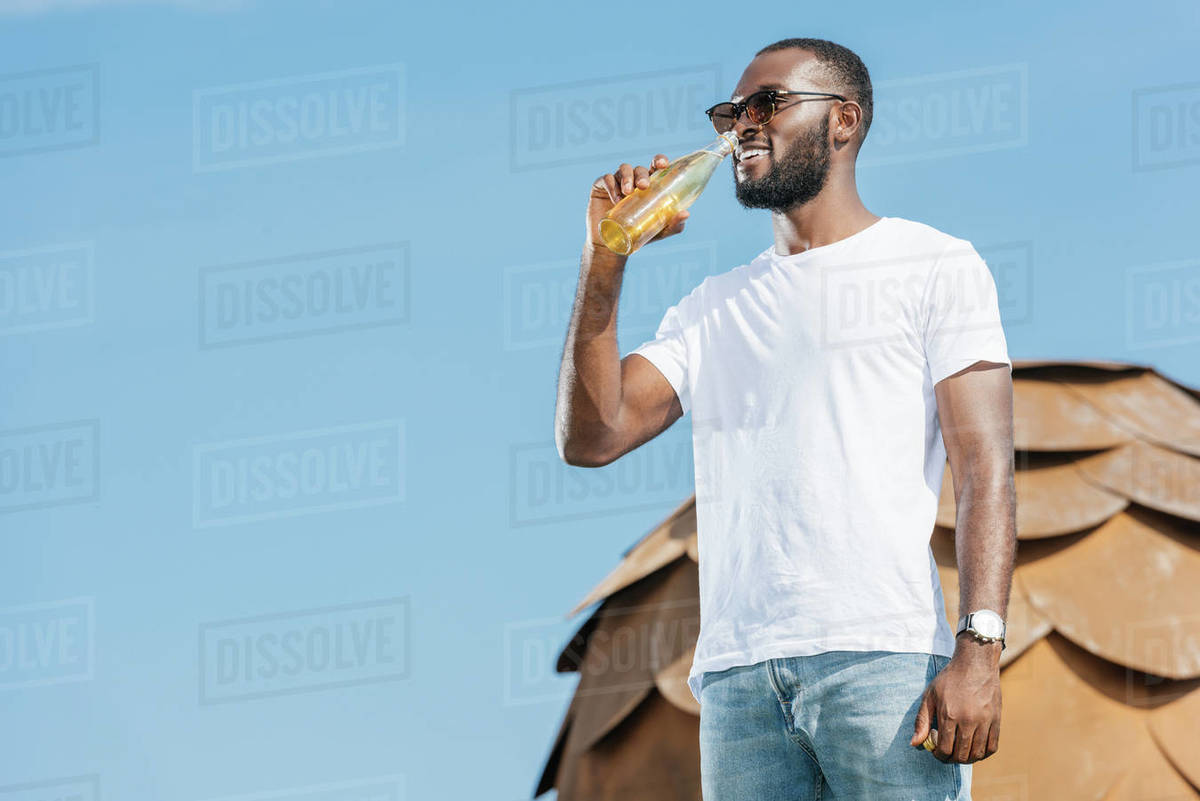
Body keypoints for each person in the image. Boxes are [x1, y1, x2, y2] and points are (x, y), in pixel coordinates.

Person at [554, 37, 1015, 801]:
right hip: (738, 684)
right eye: (732, 111)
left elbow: (985, 470)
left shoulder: (934, 265)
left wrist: (981, 648)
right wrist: (605, 261)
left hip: (883, 665)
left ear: (844, 120)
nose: (742, 124)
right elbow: (592, 436)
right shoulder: (709, 308)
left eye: (768, 103)